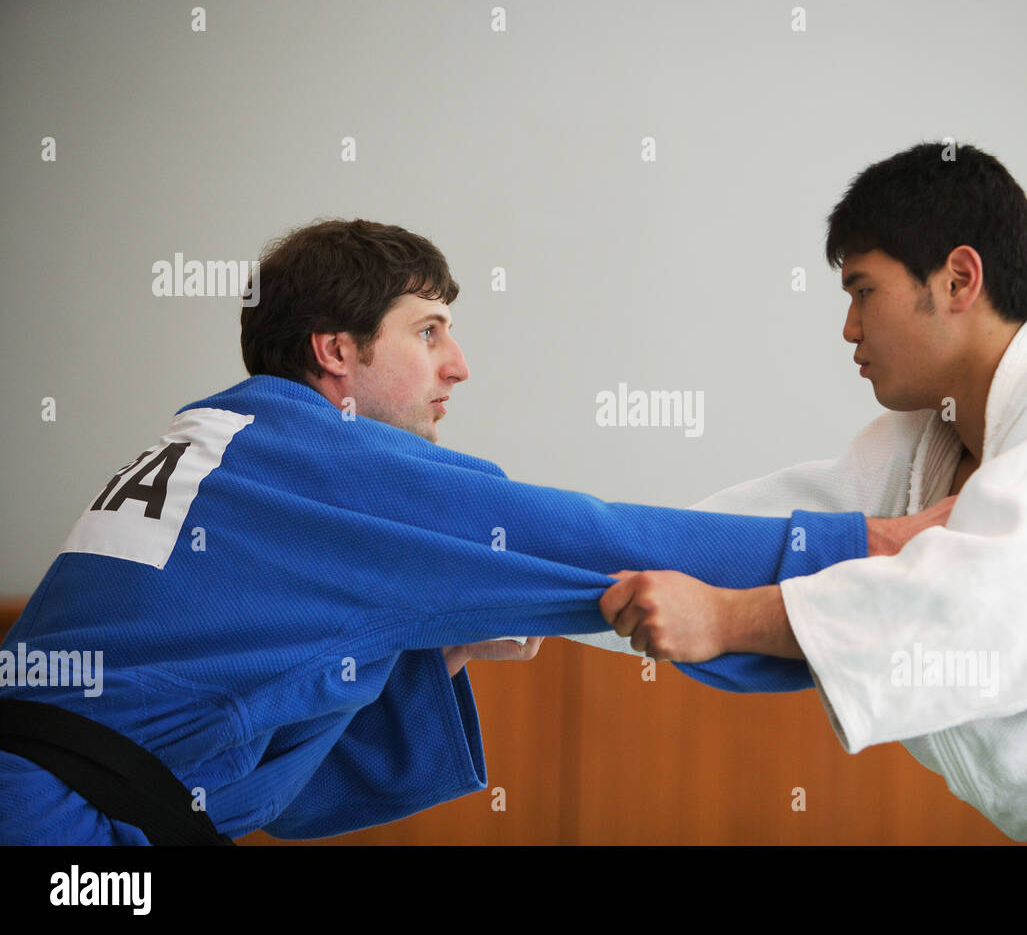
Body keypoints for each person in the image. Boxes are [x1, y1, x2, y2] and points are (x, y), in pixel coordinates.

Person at [0, 218, 951, 844]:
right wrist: (862, 547)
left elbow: (237, 698)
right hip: (62, 825)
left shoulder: (215, 439)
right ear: (337, 350)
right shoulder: (324, 458)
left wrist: (430, 648)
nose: (458, 366)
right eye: (427, 332)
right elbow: (587, 534)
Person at [600, 142, 1027, 845]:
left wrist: (729, 620)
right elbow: (730, 542)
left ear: (959, 278)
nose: (849, 327)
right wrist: (527, 593)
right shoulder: (912, 449)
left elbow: (994, 608)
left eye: (863, 290)